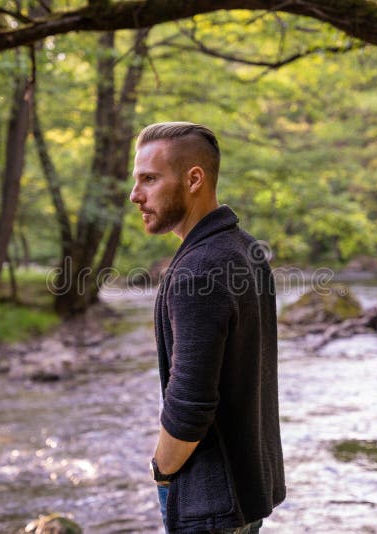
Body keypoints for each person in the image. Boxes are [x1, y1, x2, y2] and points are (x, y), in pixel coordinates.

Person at [129, 122, 286, 533]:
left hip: (212, 507)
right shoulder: (245, 248)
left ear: (194, 178)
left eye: (149, 179)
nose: (135, 195)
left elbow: (190, 403)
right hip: (246, 495)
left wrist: (162, 472)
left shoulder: (198, 269)